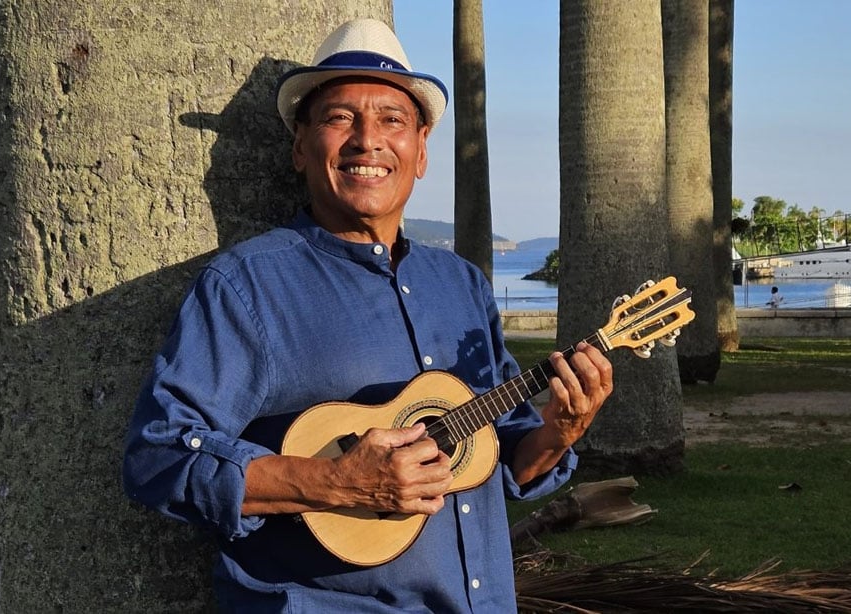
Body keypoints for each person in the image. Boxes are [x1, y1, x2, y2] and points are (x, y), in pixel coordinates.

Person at [122, 18, 613, 613]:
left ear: (421, 151)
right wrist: (338, 482)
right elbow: (160, 455)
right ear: (300, 148)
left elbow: (502, 455)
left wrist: (559, 431)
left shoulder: (462, 286)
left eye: (392, 120)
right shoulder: (247, 287)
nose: (367, 140)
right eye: (339, 118)